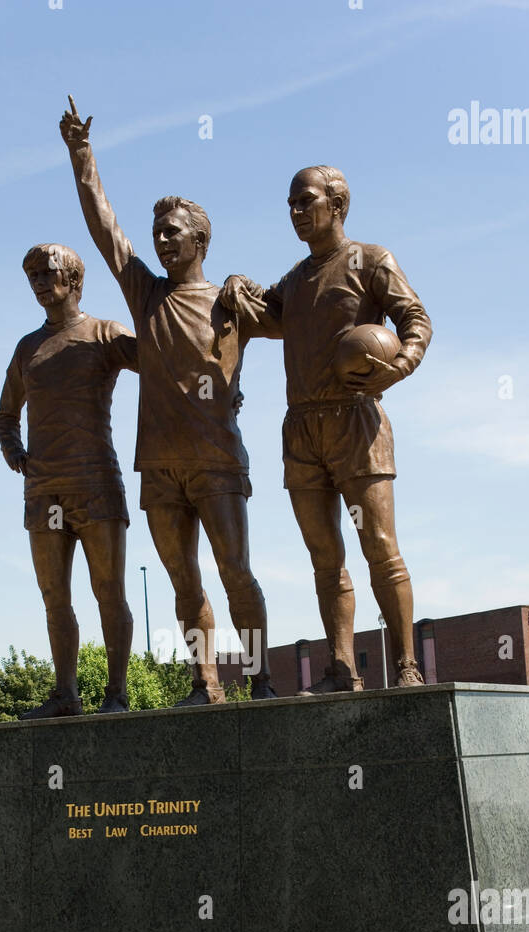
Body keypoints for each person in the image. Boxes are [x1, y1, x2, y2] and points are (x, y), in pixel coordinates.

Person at [59, 96, 279, 704]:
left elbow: (299, 318)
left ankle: (260, 679)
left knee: (235, 571)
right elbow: (104, 226)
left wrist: (250, 289)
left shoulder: (232, 301)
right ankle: (204, 682)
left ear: (200, 239)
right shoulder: (146, 296)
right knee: (184, 581)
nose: (161, 241)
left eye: (172, 232)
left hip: (216, 460)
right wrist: (82, 152)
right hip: (157, 465)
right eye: (157, 233)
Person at [221, 165, 432, 690]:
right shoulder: (294, 280)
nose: (295, 212)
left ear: (337, 206)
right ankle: (340, 667)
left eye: (305, 201)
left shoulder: (370, 260)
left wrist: (400, 365)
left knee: (380, 545)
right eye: (290, 203)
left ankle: (406, 664)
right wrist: (234, 285)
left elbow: (416, 320)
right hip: (302, 430)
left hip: (355, 422)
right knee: (324, 558)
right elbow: (255, 314)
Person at [0, 241, 137, 717]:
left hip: (96, 481)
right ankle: (65, 694)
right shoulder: (27, 347)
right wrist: (15, 452)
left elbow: (164, 366)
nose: (37, 282)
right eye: (31, 275)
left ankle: (115, 693)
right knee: (55, 596)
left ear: (73, 279)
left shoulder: (104, 333)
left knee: (108, 590)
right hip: (44, 490)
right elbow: (5, 415)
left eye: (45, 273)